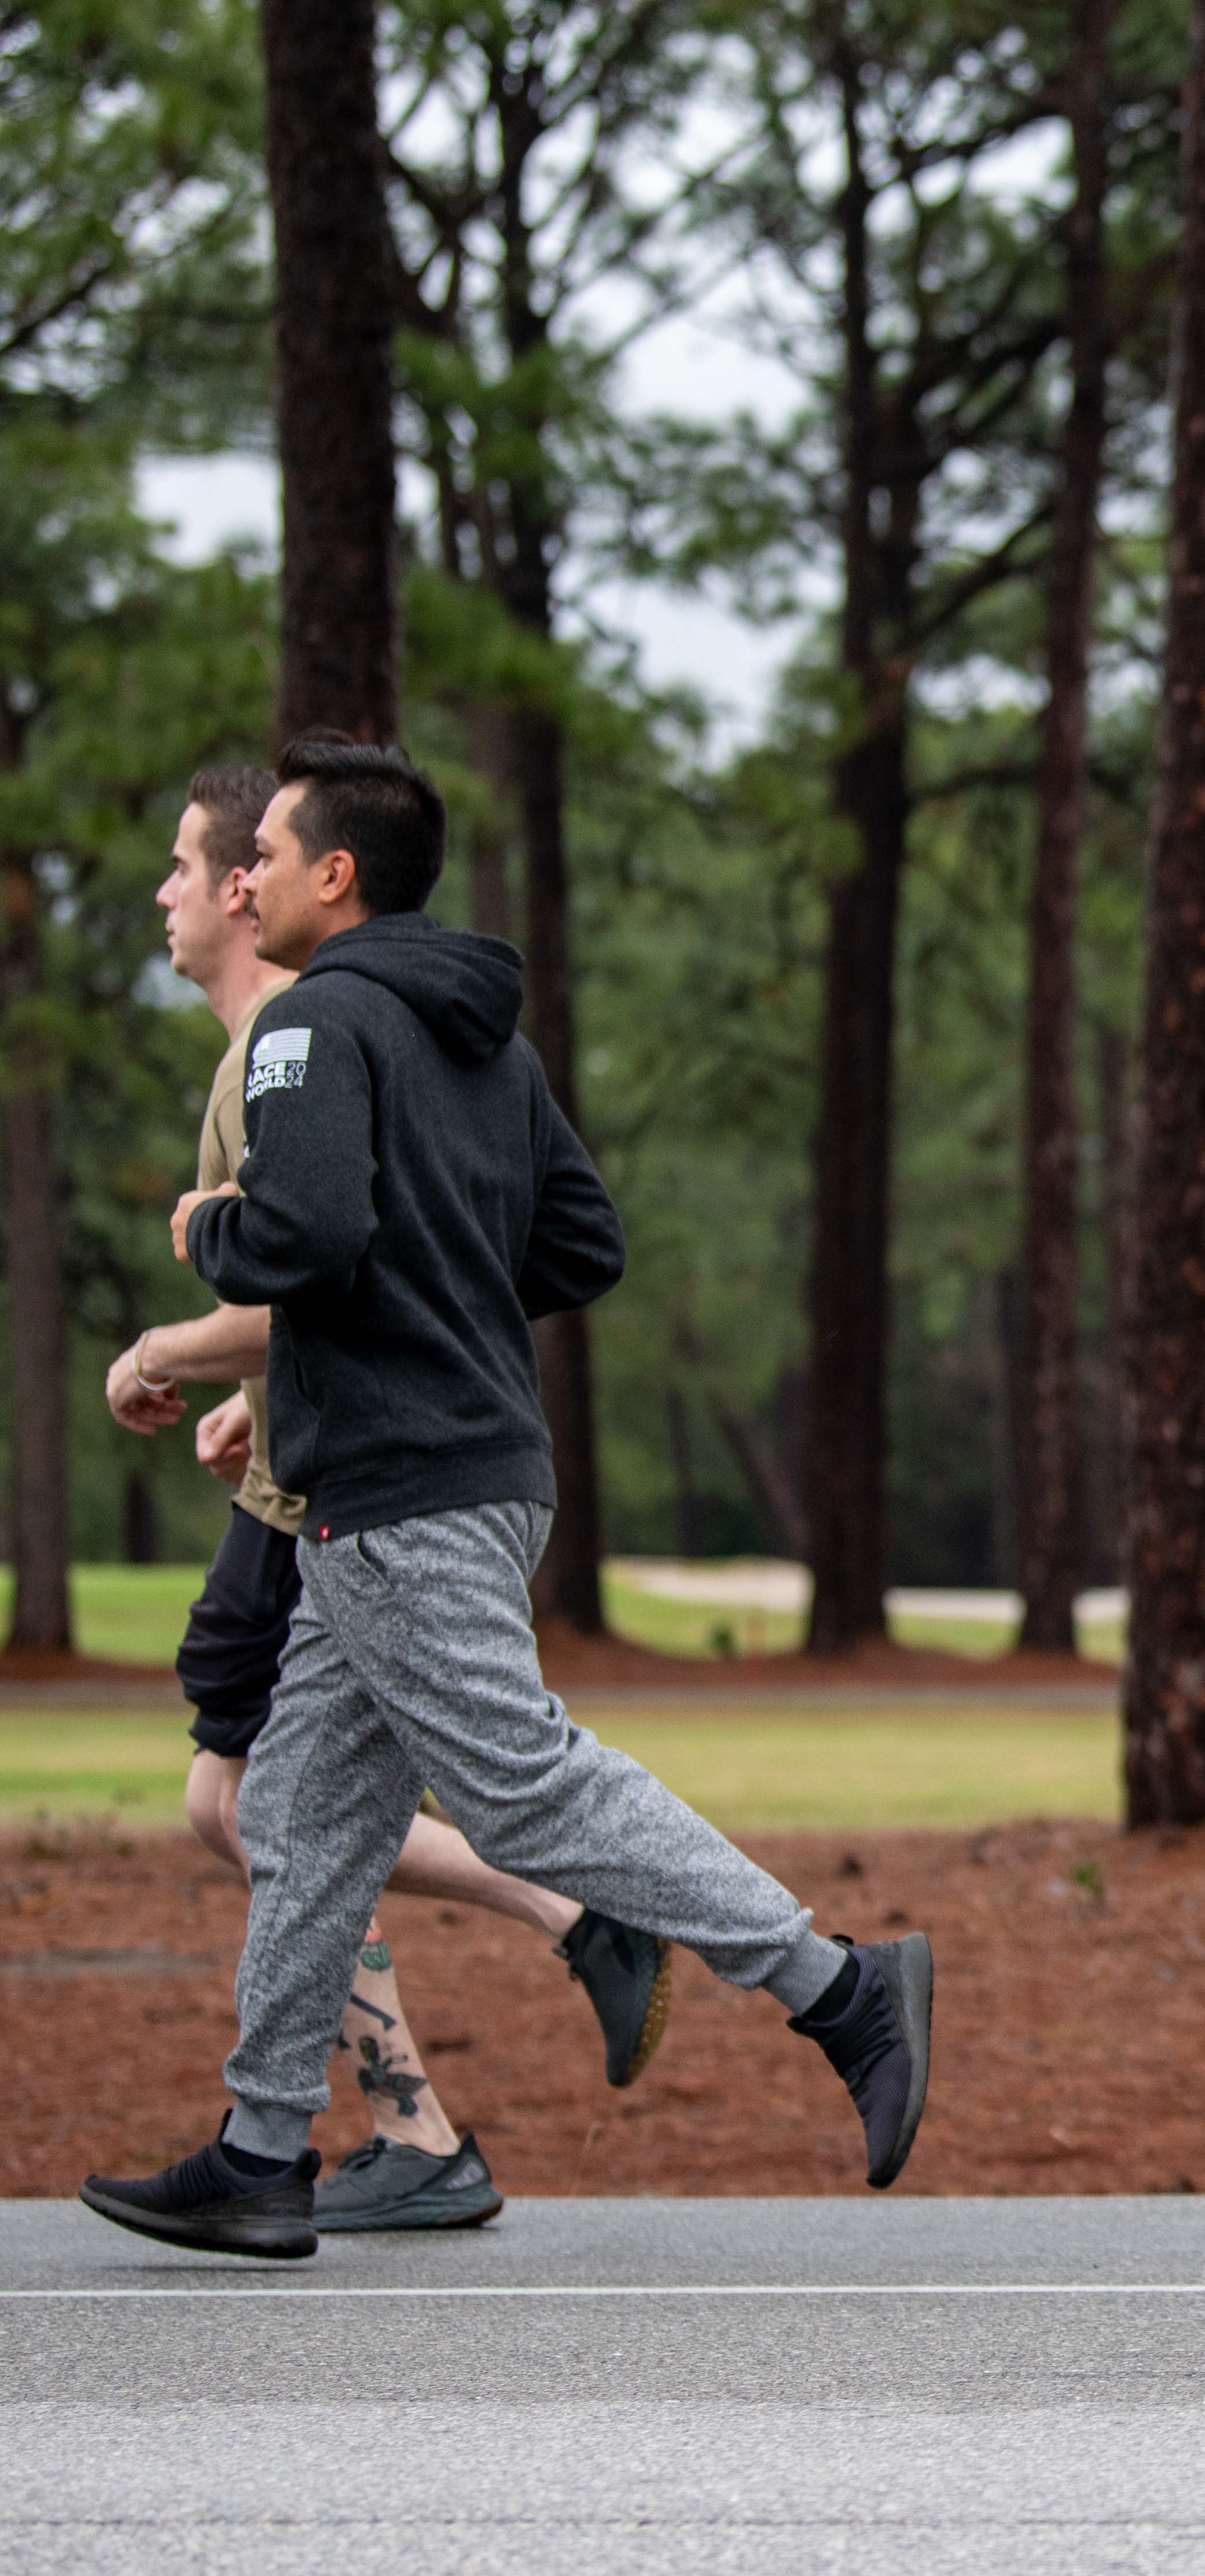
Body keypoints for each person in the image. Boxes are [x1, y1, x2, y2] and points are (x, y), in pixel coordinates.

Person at [79, 737, 935, 2264]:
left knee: (523, 1781)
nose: (240, 874)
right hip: (452, 1468)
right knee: (298, 1811)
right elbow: (580, 1245)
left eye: (261, 851)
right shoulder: (487, 1041)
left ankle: (838, 1986)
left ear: (332, 876)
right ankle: (263, 2147)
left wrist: (217, 1227)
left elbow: (306, 1232)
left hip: (400, 1483)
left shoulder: (313, 1028)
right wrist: (436, 1291)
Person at [102, 763, 674, 2235]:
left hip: (354, 1493)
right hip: (332, 1469)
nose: (164, 894)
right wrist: (255, 1390)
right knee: (261, 1802)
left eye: (189, 865)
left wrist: (179, 1343)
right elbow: (359, 1271)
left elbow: (323, 1250)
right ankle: (375, 2124)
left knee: (277, 1803)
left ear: (268, 882)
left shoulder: (293, 1041)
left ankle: (584, 1948)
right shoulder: (305, 1038)